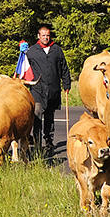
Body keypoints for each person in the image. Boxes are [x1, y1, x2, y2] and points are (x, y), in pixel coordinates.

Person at [22, 24, 72, 156]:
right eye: (43, 35)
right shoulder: (32, 51)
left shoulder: (56, 50)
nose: (46, 37)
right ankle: (37, 143)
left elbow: (64, 67)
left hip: (53, 89)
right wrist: (22, 54)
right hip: (37, 90)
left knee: (49, 117)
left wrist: (66, 84)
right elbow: (24, 67)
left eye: (48, 35)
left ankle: (49, 142)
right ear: (38, 36)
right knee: (37, 114)